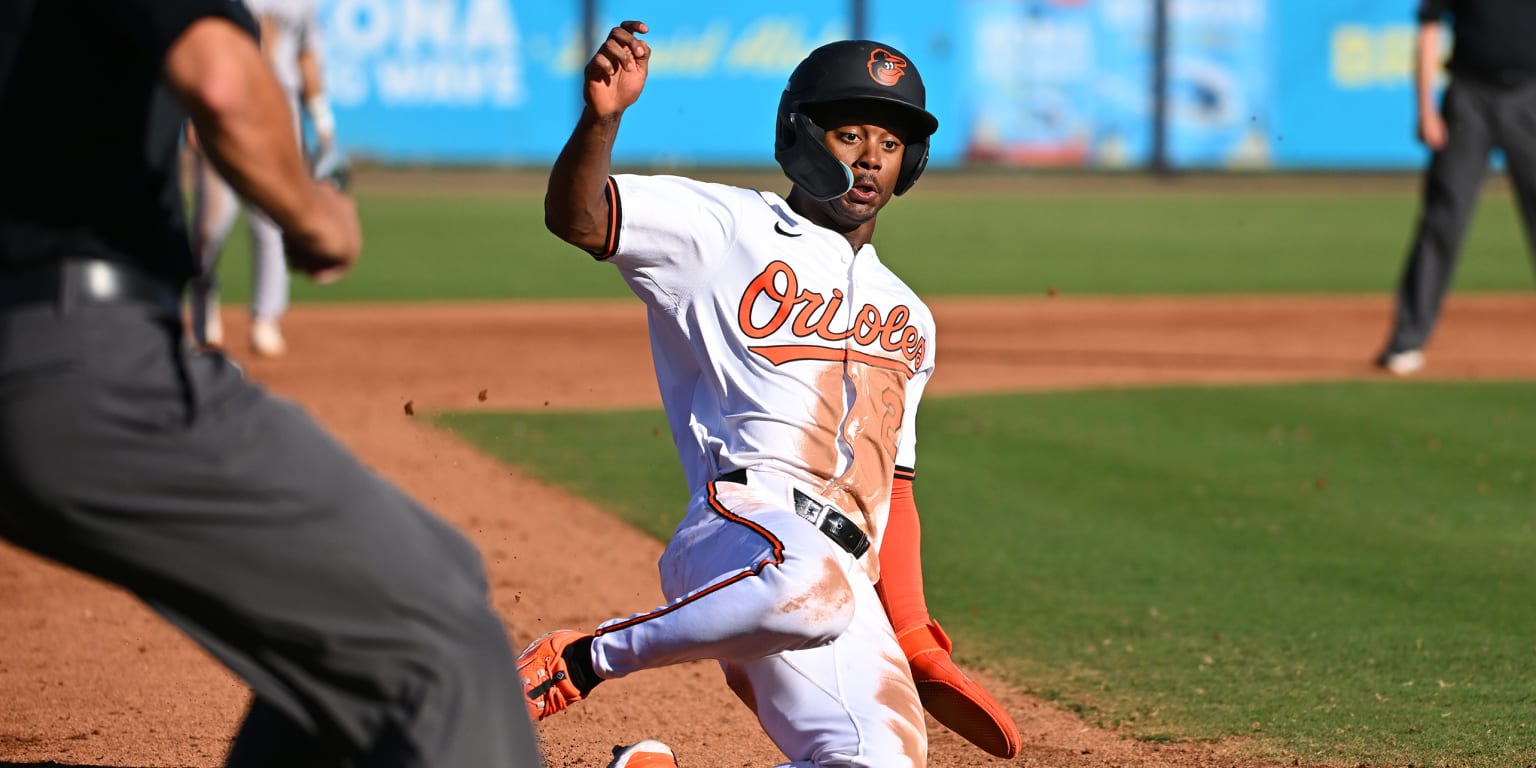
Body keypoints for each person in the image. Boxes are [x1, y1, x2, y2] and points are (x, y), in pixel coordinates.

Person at [0, 2, 541, 765]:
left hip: (49, 344)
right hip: (79, 353)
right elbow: (221, 79)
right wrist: (317, 214)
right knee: (446, 647)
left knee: (437, 573)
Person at [518, 21, 1021, 767]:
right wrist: (603, 120)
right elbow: (580, 217)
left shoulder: (910, 315)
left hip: (840, 580)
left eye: (889, 143)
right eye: (850, 134)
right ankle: (590, 657)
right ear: (801, 136)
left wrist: (914, 639)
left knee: (876, 760)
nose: (870, 159)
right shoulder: (727, 228)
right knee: (812, 585)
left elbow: (897, 495)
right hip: (744, 529)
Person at [1377, 0, 1536, 375]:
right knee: (1443, 218)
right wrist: (1425, 108)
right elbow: (1429, 30)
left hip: (1530, 96)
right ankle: (1407, 338)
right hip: (1469, 98)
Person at [186, 0, 339, 357]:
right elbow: (198, 48)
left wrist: (322, 122)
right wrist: (194, 113)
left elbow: (307, 57)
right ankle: (204, 306)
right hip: (224, 111)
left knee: (271, 220)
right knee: (211, 225)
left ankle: (266, 318)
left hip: (278, 113)